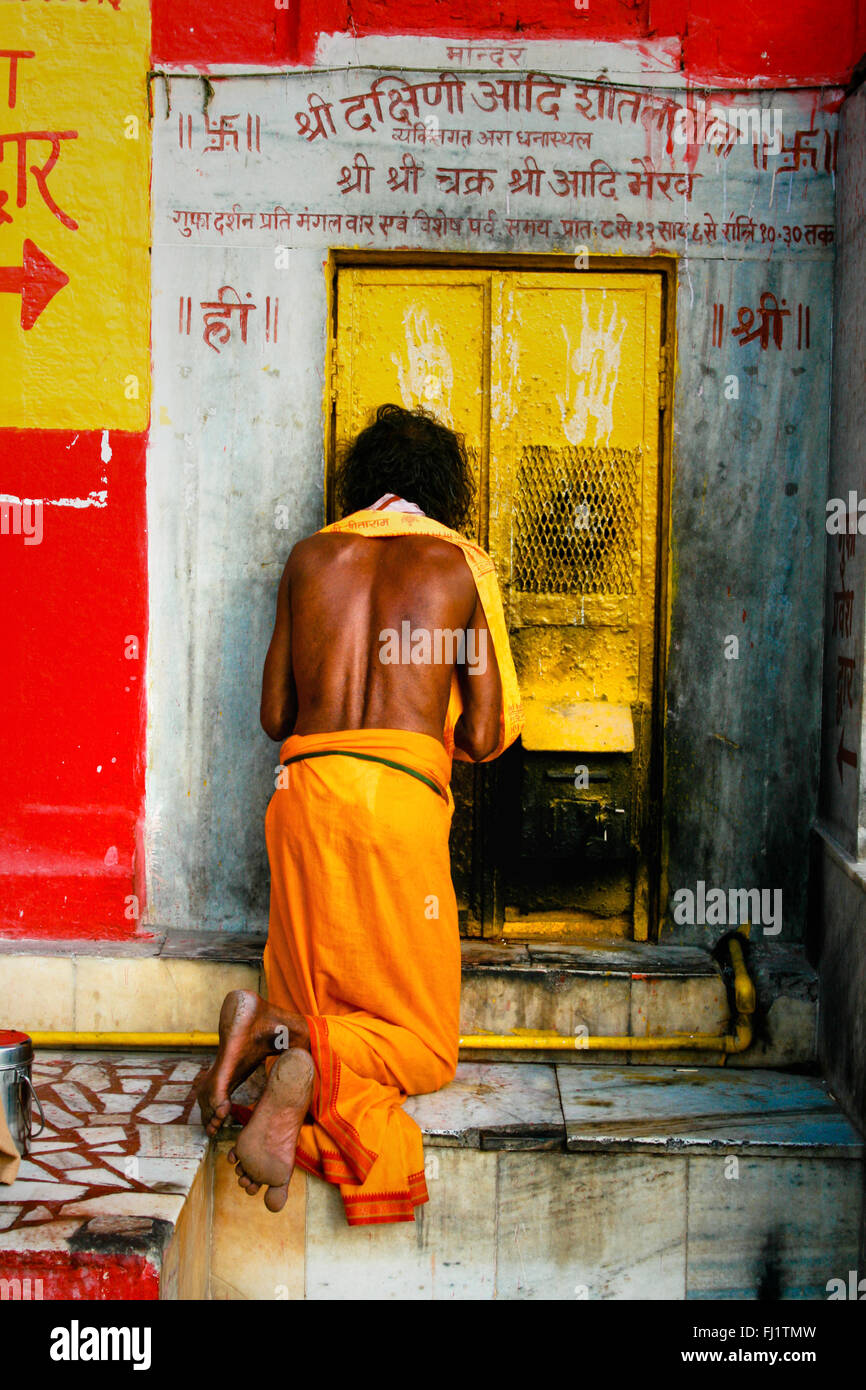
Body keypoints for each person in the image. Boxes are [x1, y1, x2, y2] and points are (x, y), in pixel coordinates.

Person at [196, 404, 522, 1223]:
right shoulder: (458, 567)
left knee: (326, 993)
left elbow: (274, 714)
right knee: (423, 1047)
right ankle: (281, 1035)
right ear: (446, 489)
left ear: (358, 483)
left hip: (303, 795)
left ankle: (282, 1043)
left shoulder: (309, 559)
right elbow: (485, 734)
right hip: (398, 804)